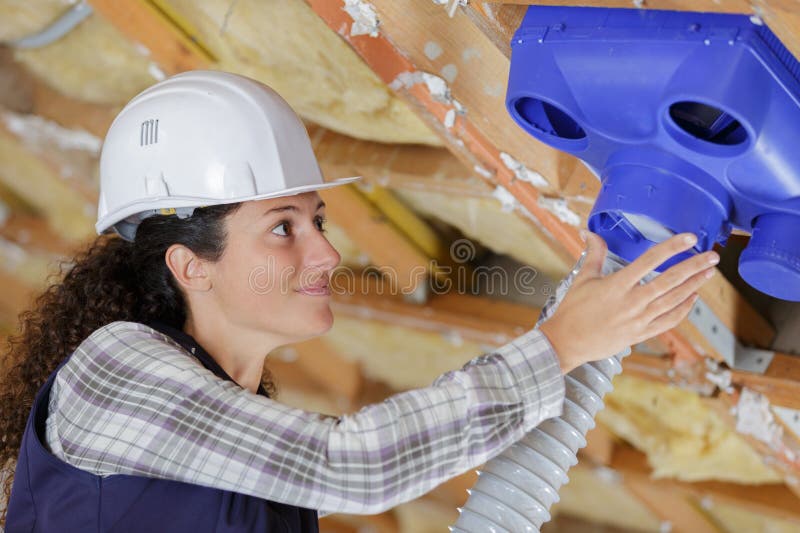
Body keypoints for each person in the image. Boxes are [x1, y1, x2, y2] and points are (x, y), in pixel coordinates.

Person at [0, 71, 718, 532]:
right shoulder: (111, 370)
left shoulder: (256, 470)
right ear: (189, 264)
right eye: (283, 226)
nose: (326, 253)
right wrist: (560, 344)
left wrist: (571, 342)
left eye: (318, 221)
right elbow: (355, 466)